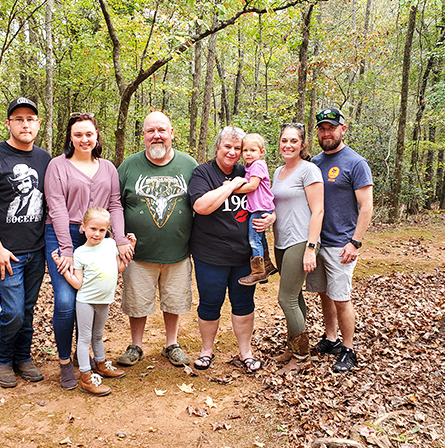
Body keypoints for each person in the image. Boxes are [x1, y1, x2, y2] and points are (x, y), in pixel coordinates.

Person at [45, 113, 132, 390]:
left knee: (95, 298)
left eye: (89, 134)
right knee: (66, 301)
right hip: (63, 235)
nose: (84, 139)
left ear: (97, 137)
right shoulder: (57, 166)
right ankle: (65, 364)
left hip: (100, 237)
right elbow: (56, 207)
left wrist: (119, 240)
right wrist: (67, 249)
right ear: (70, 137)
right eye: (78, 134)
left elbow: (115, 204)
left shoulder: (108, 167)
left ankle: (92, 358)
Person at [0, 97, 51, 388]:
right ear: (9, 124)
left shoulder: (45, 159)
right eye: (18, 119)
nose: (25, 124)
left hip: (37, 250)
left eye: (30, 119)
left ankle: (23, 357)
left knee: (28, 308)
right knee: (13, 311)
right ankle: (2, 360)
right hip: (7, 253)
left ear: (38, 124)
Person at [188, 127, 274, 372]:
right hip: (210, 254)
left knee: (244, 303)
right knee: (209, 304)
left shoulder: (249, 169)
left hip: (244, 255)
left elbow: (266, 198)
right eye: (228, 146)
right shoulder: (202, 173)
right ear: (217, 146)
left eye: (238, 148)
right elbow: (202, 206)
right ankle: (206, 351)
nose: (233, 152)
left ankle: (246, 353)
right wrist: (232, 185)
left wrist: (271, 217)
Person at [116, 111, 197, 367]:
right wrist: (117, 238)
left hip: (178, 251)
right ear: (143, 136)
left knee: (173, 300)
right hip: (138, 254)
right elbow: (113, 204)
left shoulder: (189, 165)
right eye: (151, 131)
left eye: (162, 130)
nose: (157, 136)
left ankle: (171, 343)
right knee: (137, 302)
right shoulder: (129, 166)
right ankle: (136, 345)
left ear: (172, 133)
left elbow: (202, 203)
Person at [306, 107, 373, 373]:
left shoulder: (356, 163)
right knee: (324, 293)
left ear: (343, 129)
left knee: (341, 297)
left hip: (341, 244)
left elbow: (366, 206)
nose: (326, 133)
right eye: (322, 128)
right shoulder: (315, 163)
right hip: (317, 242)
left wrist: (355, 242)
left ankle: (348, 349)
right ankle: (331, 339)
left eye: (331, 128)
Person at [52, 207, 136, 396]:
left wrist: (132, 246)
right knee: (84, 338)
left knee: (98, 335)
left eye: (102, 230)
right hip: (86, 301)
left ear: (107, 230)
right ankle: (86, 377)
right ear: (83, 227)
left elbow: (119, 268)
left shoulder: (110, 245)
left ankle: (101, 364)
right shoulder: (80, 253)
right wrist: (63, 268)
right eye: (93, 229)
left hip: (104, 300)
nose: (97, 234)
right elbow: (77, 282)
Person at [270, 123, 324, 374]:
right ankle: (294, 346)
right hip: (281, 241)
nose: (288, 145)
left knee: (286, 298)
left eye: (294, 141)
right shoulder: (278, 171)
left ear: (303, 145)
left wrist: (311, 248)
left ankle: (302, 357)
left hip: (301, 240)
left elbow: (318, 210)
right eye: (284, 140)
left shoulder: (309, 170)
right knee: (295, 297)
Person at [235, 133, 278, 286]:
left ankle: (258, 272)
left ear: (261, 152)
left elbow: (252, 186)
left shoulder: (258, 165)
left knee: (253, 239)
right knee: (260, 238)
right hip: (259, 207)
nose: (248, 153)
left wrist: (231, 189)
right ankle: (267, 265)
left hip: (260, 207)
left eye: (253, 150)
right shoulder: (250, 166)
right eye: (245, 150)